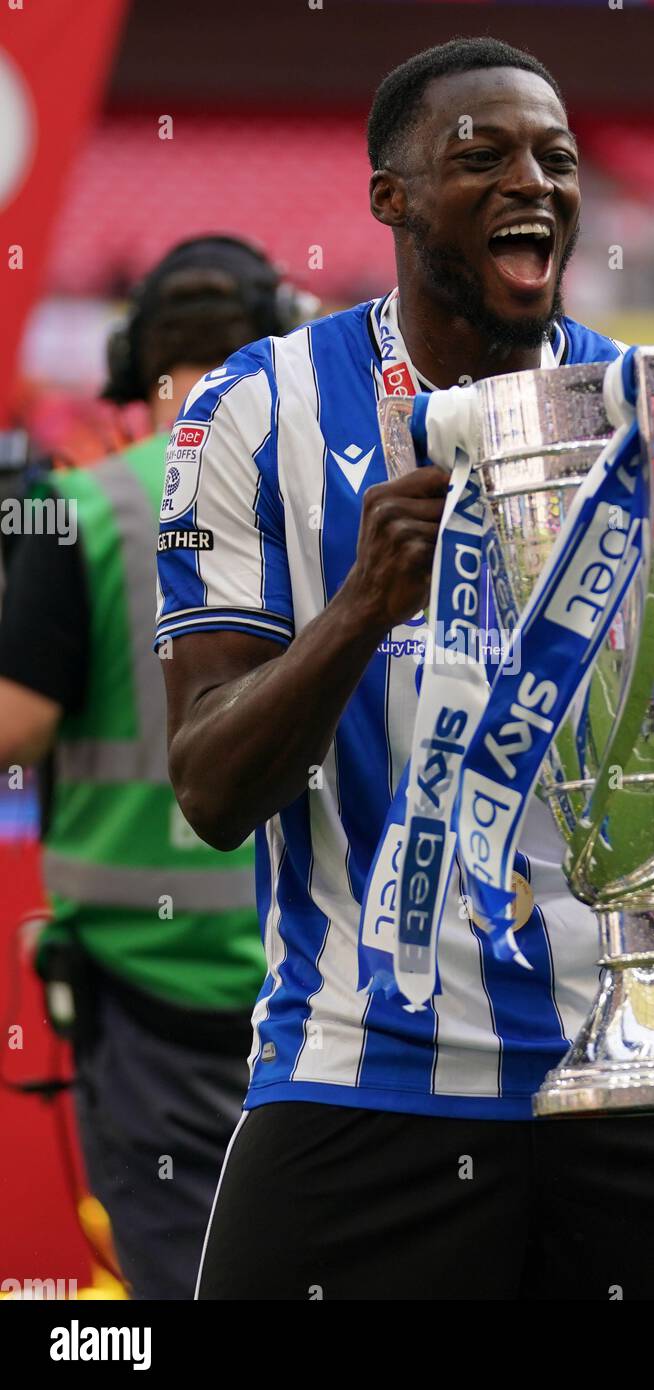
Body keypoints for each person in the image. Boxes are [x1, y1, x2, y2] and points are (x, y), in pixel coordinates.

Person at [157, 42, 654, 1301]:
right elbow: (208, 788)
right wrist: (361, 605)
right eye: (482, 158)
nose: (534, 181)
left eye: (557, 159)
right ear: (393, 198)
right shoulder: (256, 415)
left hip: (634, 1048)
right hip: (362, 1064)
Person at [0, 235, 315, 1299]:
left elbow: (14, 728)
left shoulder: (86, 508)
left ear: (139, 362)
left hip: (145, 993)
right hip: (328, 978)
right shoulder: (341, 499)